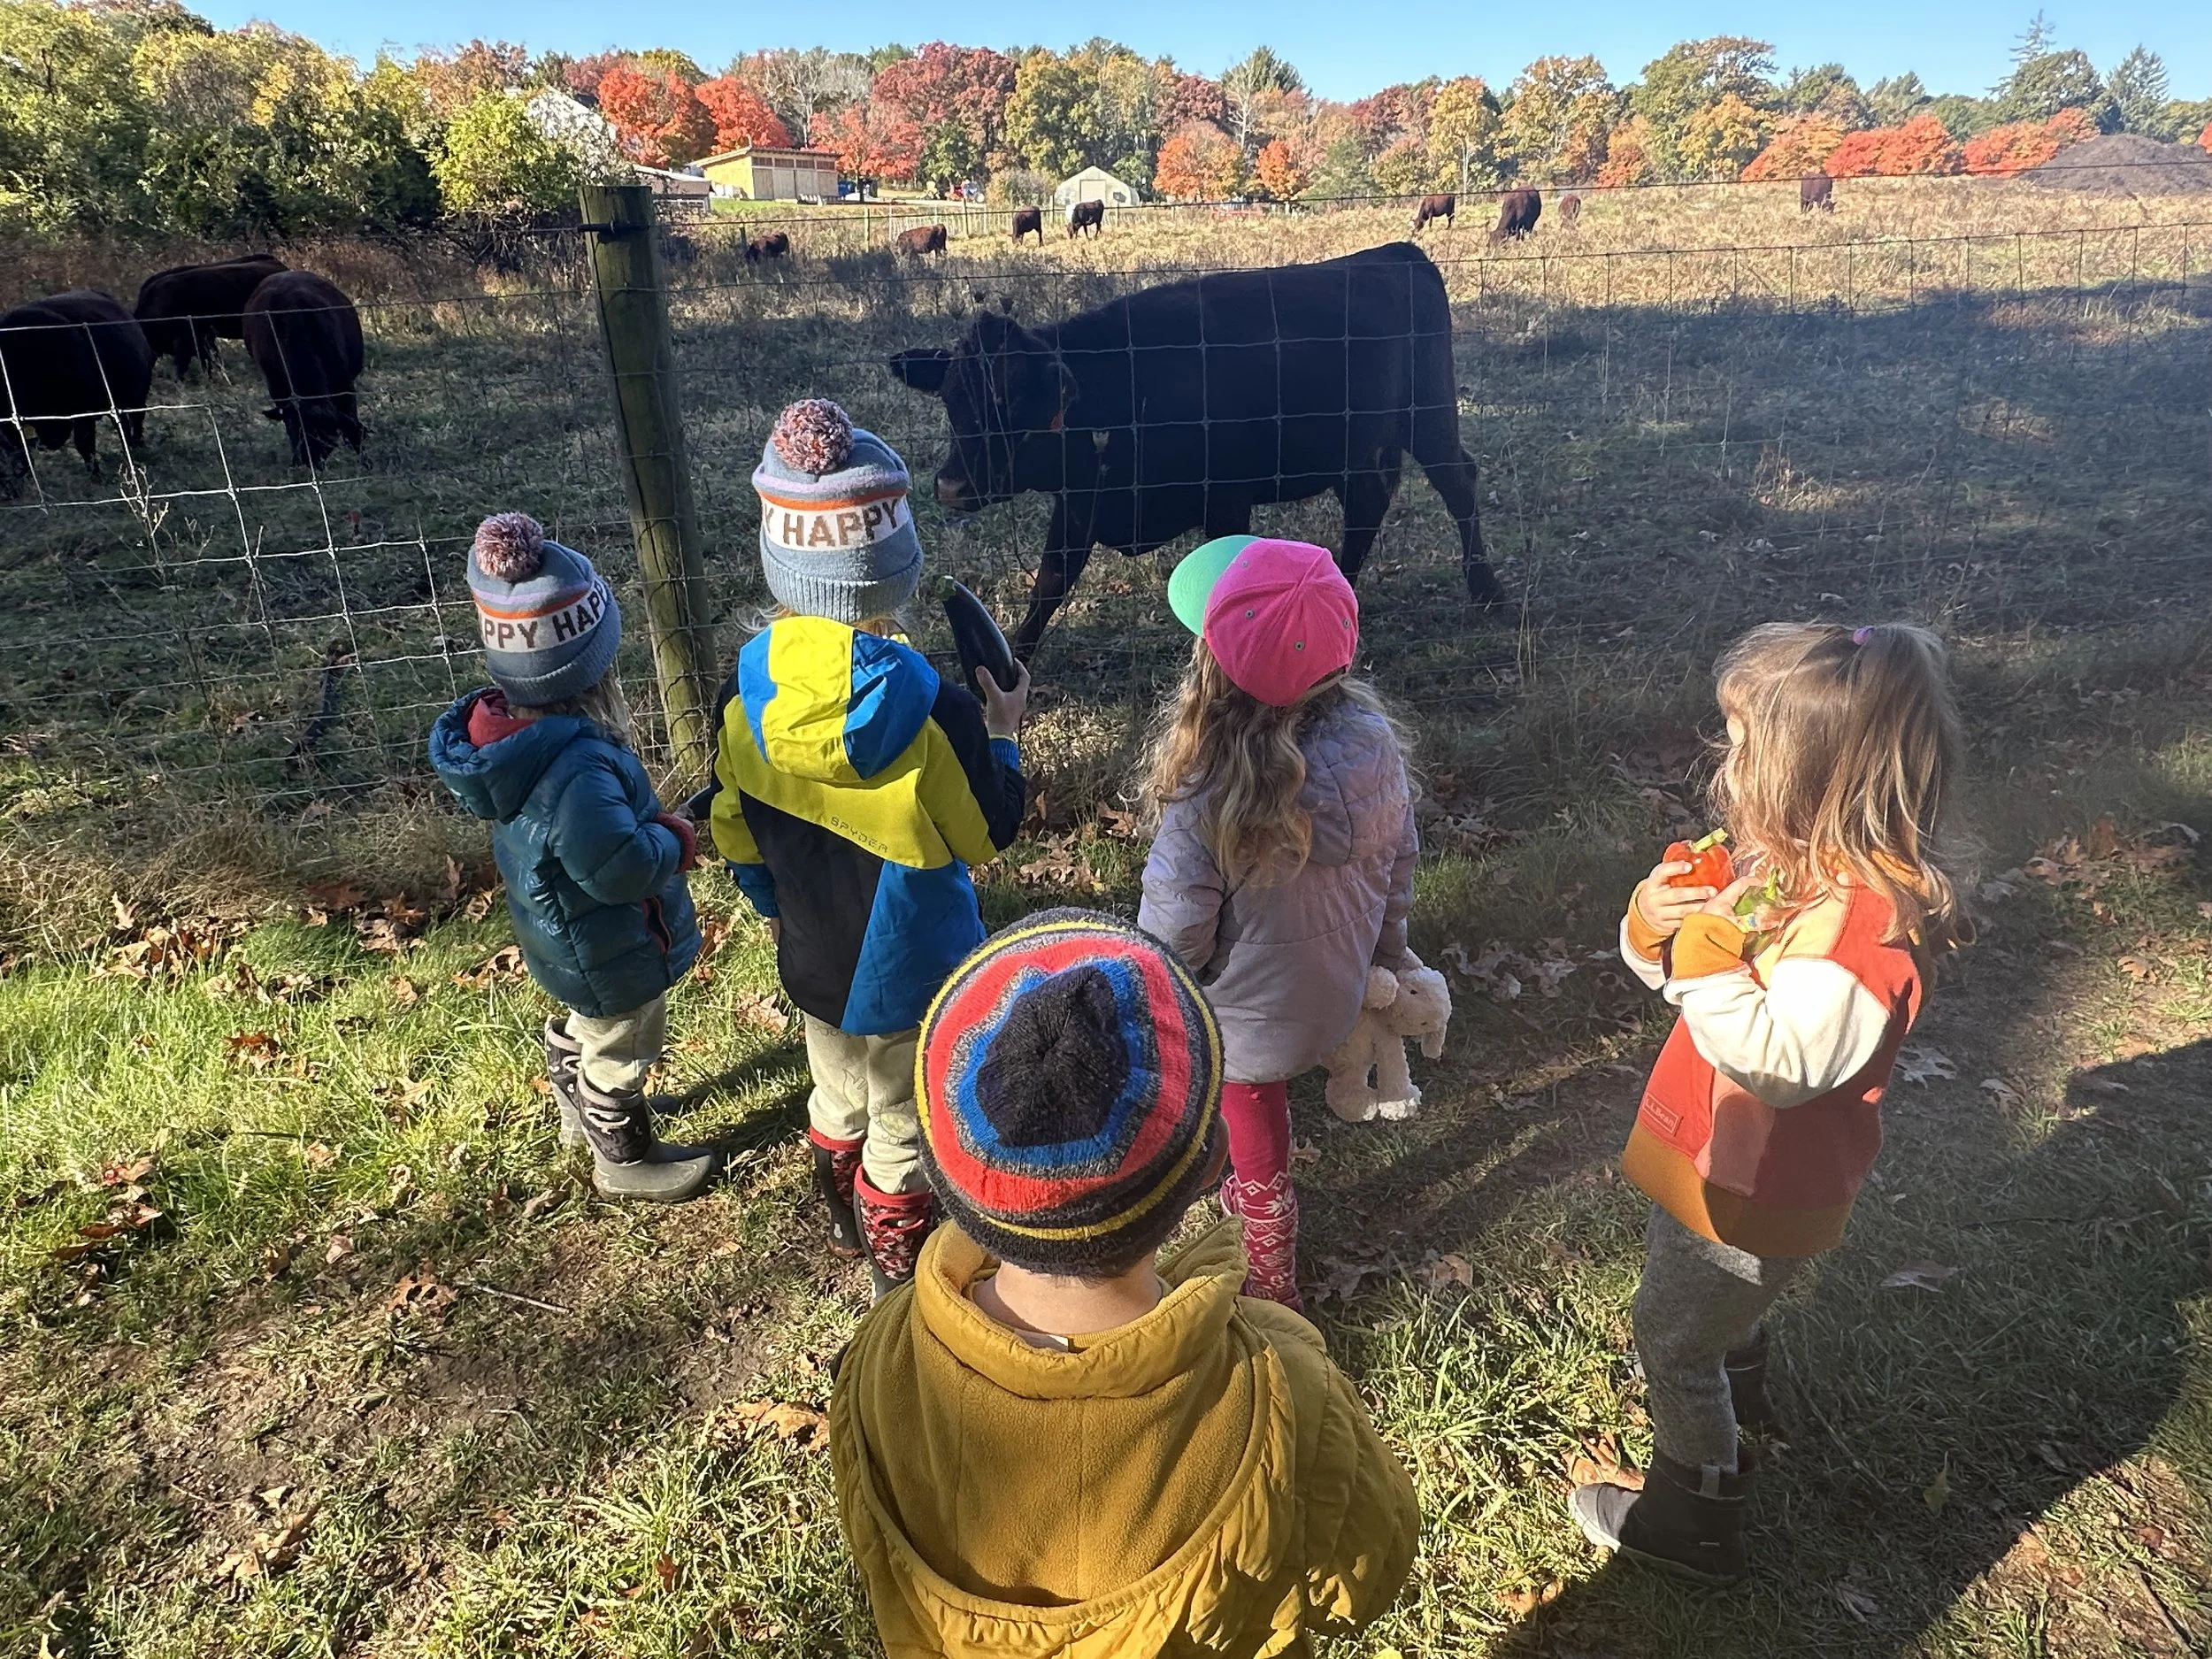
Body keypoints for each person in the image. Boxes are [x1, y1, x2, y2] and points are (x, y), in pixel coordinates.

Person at [832, 909, 1420, 1658]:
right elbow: (1371, 1565)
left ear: (954, 1179)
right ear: (1213, 1162)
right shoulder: (1282, 1389)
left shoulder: (883, 1356)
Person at [1570, 622, 1967, 1584]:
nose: (1727, 761)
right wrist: (1650, 924)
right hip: (1717, 1164)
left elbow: (1782, 1065)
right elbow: (1687, 965)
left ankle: (1691, 1516)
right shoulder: (1791, 872)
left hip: (1751, 1191)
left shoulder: (1860, 936)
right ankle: (1740, 1394)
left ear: (1814, 773)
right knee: (1709, 1313)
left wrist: (1698, 965)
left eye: (1746, 744)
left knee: (1667, 1339)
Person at [710, 398, 1027, 1294]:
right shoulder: (937, 713)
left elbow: (732, 828)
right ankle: (898, 1254)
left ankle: (836, 1197)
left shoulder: (744, 703)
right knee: (902, 1117)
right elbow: (985, 835)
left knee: (836, 1086)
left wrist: (777, 912)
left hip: (810, 953)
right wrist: (1004, 734)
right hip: (908, 967)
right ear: (893, 567)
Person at [1136, 536, 1420, 1310]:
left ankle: (1272, 1275)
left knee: (1253, 1124)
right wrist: (1387, 959)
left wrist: (1158, 1002)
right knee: (1262, 1087)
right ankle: (1253, 1227)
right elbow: (1399, 867)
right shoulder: (1376, 745)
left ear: (1214, 664)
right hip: (1342, 994)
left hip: (1252, 1032)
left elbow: (1173, 937)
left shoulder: (1209, 787)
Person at [429, 512, 716, 1202]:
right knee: (625, 1039)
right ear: (590, 663)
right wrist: (674, 840)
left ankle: (575, 1107)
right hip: (607, 941)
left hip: (563, 933)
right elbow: (615, 866)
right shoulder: (578, 770)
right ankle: (621, 1149)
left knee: (586, 1023)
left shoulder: (514, 740)